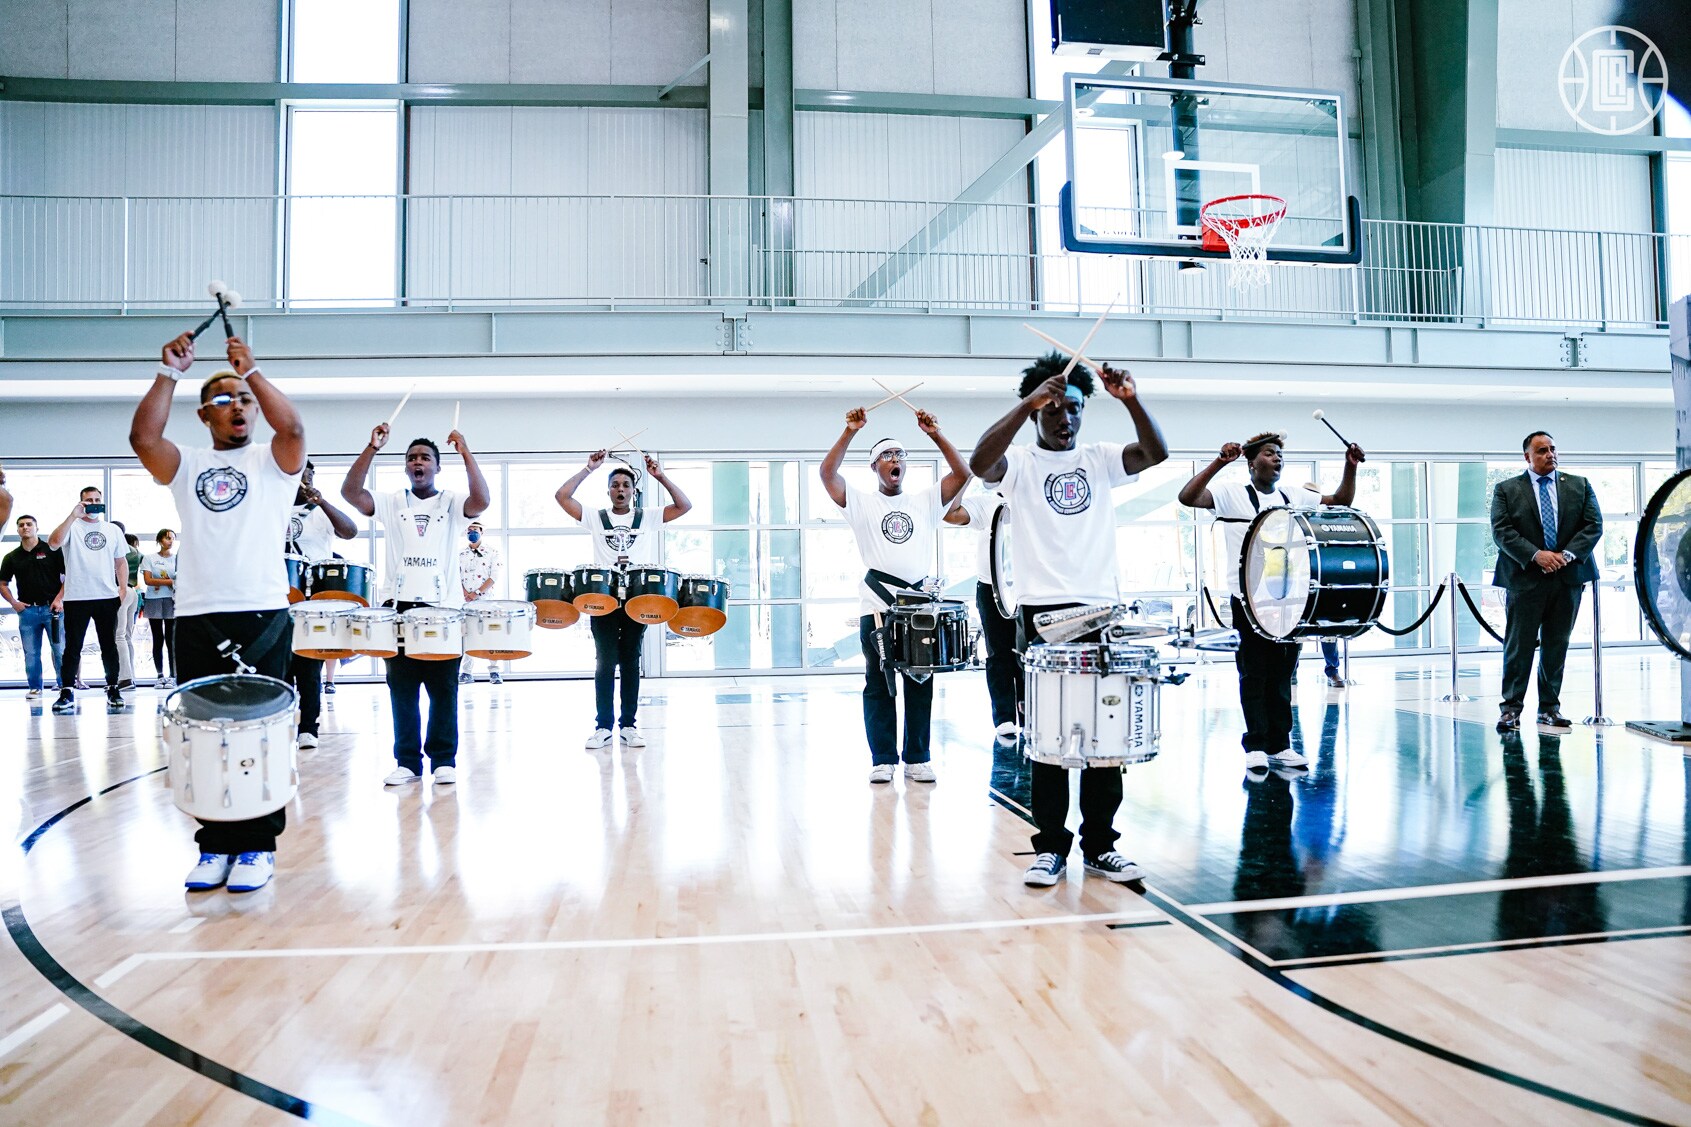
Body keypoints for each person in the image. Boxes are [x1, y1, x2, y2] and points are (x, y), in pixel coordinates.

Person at [970, 353, 1168, 886]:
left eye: (1073, 409)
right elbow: (979, 463)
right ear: (1038, 413)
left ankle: (1101, 846)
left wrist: (1131, 400)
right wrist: (1023, 405)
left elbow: (1155, 452)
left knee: (1106, 733)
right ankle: (1050, 847)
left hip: (1100, 608)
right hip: (1042, 613)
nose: (1065, 419)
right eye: (1053, 410)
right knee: (1050, 737)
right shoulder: (1022, 466)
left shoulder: (1101, 459)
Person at [132, 330, 305, 893]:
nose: (239, 407)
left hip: (260, 612)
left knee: (260, 733)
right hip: (197, 614)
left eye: (246, 400)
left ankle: (257, 846)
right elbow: (142, 437)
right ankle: (215, 847)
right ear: (206, 414)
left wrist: (251, 372)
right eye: (226, 399)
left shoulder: (275, 461)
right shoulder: (187, 463)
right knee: (205, 736)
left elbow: (295, 428)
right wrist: (170, 372)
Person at [1177, 431, 1362, 778]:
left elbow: (1341, 500)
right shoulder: (1232, 494)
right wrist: (1219, 462)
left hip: (1288, 602)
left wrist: (1349, 466)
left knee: (1282, 675)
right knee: (1253, 673)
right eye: (1268, 453)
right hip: (1247, 600)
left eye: (1279, 454)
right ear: (1251, 463)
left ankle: (1281, 744)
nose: (1276, 458)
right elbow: (1188, 497)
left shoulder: (1293, 495)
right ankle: (1256, 746)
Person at [821, 408, 970, 784]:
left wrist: (936, 434)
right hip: (876, 610)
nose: (895, 461)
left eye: (901, 456)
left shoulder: (924, 501)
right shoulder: (862, 504)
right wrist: (849, 431)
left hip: (918, 612)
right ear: (874, 466)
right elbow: (827, 474)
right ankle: (882, 758)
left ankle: (918, 757)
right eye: (888, 456)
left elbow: (963, 474)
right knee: (879, 684)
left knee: (921, 683)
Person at [342, 425, 490, 786]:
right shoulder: (392, 502)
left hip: (444, 609)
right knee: (402, 689)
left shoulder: (452, 502)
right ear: (406, 468)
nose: (418, 462)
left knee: (444, 688)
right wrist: (371, 446)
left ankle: (444, 759)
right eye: (412, 459)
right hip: (401, 607)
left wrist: (466, 451)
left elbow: (482, 501)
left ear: (437, 467)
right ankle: (407, 761)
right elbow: (350, 492)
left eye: (425, 458)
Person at [556, 453, 692, 749]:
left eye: (625, 485)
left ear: (633, 490)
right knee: (604, 662)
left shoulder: (647, 517)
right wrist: (588, 469)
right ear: (608, 490)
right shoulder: (596, 517)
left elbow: (684, 506)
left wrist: (660, 476)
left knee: (630, 661)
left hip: (637, 600)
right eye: (615, 485)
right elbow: (562, 496)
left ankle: (628, 726)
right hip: (602, 599)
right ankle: (603, 726)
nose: (620, 489)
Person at [1489, 431, 1602, 731]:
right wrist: (1537, 555)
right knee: (1519, 647)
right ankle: (1510, 709)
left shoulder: (1579, 485)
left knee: (1556, 646)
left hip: (1567, 579)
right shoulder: (1507, 490)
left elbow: (1594, 526)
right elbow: (1502, 532)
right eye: (1541, 450)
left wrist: (1565, 555)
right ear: (1527, 456)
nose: (1550, 454)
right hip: (1525, 579)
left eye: (1552, 449)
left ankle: (1549, 709)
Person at [286, 460, 358, 749]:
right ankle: (277, 724)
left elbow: (350, 531)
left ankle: (308, 728)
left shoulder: (320, 513)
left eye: (310, 475)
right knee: (276, 666)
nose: (307, 480)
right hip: (276, 597)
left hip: (312, 601)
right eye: (301, 474)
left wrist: (323, 501)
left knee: (309, 667)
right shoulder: (272, 510)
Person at [943, 485, 1022, 743]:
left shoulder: (1031, 502)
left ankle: (1029, 712)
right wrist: (963, 477)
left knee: (1027, 653)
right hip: (991, 587)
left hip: (1029, 589)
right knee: (998, 652)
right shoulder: (987, 504)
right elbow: (950, 512)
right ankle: (1004, 717)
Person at [47, 485, 129, 715]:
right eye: (88, 500)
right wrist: (73, 515)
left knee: (109, 646)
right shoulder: (72, 527)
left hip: (106, 596)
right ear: (81, 502)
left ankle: (113, 688)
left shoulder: (112, 530)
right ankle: (66, 691)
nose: (93, 503)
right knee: (73, 647)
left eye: (96, 499)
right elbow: (53, 543)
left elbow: (120, 561)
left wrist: (122, 589)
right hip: (77, 596)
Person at [1, 513, 65, 699]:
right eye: (21, 525)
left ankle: (64, 687)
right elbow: (2, 583)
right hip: (27, 612)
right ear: (17, 530)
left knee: (60, 650)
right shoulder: (12, 557)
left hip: (52, 610)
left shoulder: (52, 550)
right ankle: (35, 687)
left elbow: (68, 578)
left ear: (37, 528)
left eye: (29, 524)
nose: (25, 527)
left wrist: (59, 599)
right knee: (31, 653)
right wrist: (14, 603)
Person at [458, 521, 507, 685]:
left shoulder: (492, 553)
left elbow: (494, 576)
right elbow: (456, 576)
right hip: (466, 602)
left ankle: (494, 672)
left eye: (475, 530)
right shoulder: (461, 554)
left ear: (482, 532)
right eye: (469, 530)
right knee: (468, 634)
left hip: (487, 600)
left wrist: (477, 593)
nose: (472, 532)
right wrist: (466, 593)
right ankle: (466, 672)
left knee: (491, 634)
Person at [140, 528, 178, 688]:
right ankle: (160, 675)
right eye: (167, 538)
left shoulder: (177, 559)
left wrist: (160, 582)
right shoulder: (149, 558)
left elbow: (183, 579)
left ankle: (173, 676)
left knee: (171, 639)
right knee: (157, 638)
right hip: (154, 600)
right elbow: (148, 580)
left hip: (172, 600)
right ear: (160, 540)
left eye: (173, 539)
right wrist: (171, 581)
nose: (170, 541)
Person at [114, 526, 143, 688]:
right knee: (126, 637)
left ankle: (124, 677)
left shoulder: (117, 548)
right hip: (132, 591)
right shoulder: (135, 551)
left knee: (118, 636)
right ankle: (131, 675)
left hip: (120, 590)